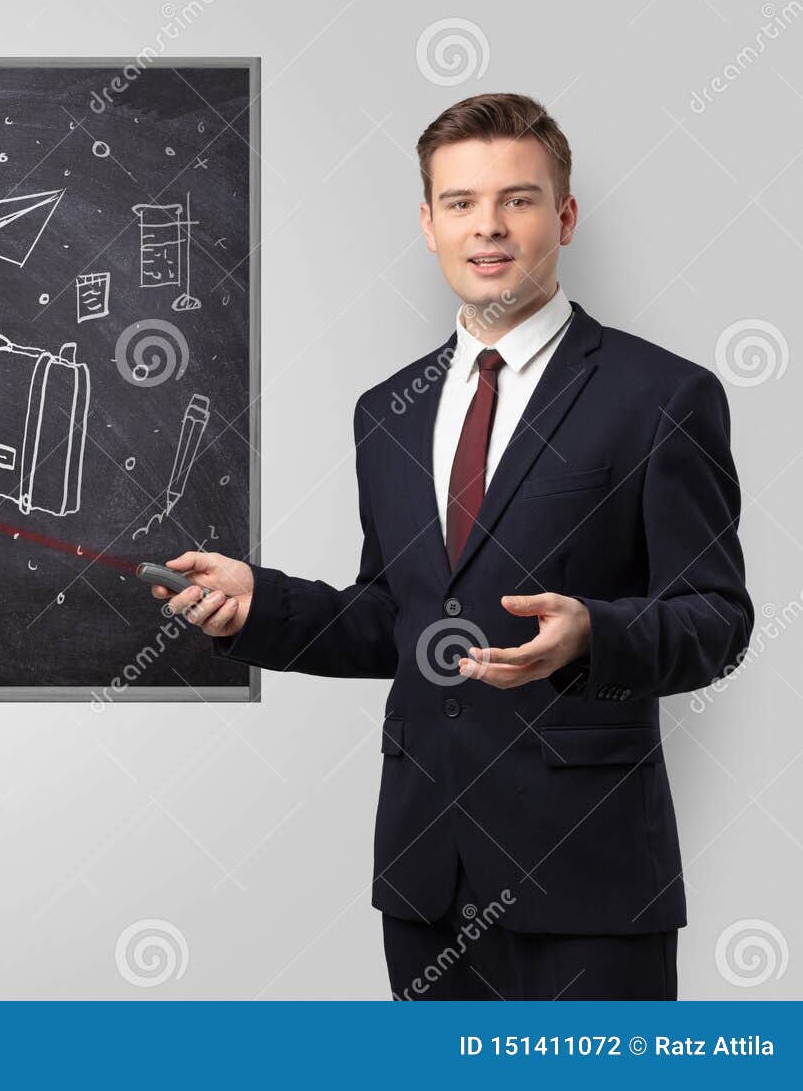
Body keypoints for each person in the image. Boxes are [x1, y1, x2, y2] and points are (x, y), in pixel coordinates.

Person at [154, 93, 753, 1000]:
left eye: (518, 199)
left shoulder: (662, 395)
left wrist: (595, 633)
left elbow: (719, 620)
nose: (491, 227)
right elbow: (394, 619)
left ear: (565, 215)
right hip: (427, 868)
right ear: (428, 224)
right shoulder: (387, 411)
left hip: (586, 872)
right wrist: (257, 604)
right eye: (463, 203)